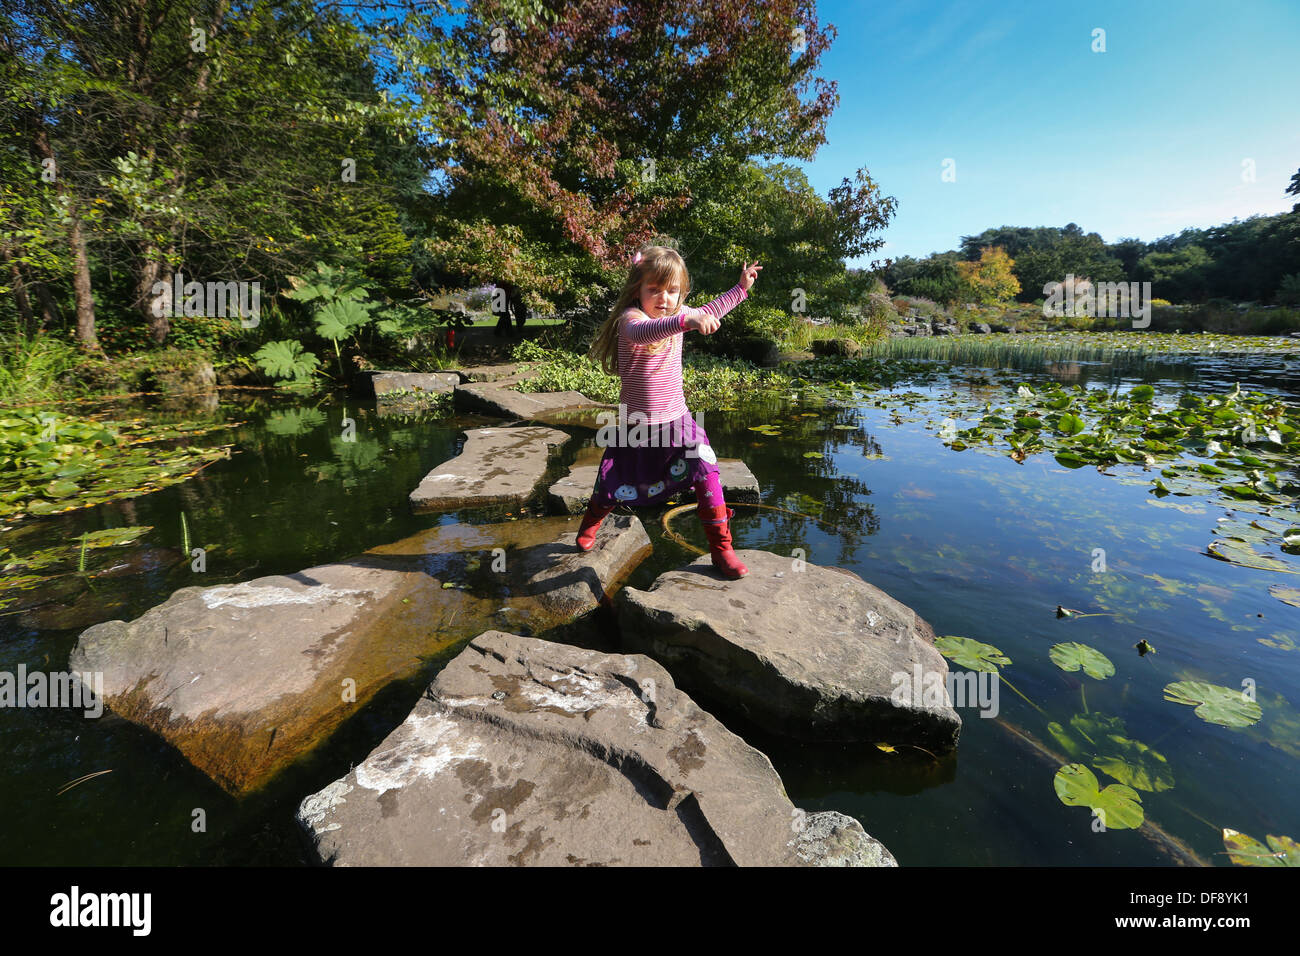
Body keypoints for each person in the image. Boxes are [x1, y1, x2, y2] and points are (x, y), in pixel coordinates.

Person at [574, 244, 762, 579]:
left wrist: (740, 289)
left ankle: (722, 550)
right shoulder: (631, 320)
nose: (664, 298)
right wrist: (687, 319)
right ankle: (590, 524)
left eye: (673, 291)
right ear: (637, 289)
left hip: (678, 421)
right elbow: (647, 331)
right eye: (654, 290)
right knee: (612, 484)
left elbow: (712, 308)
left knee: (707, 472)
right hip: (637, 426)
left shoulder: (678, 315)